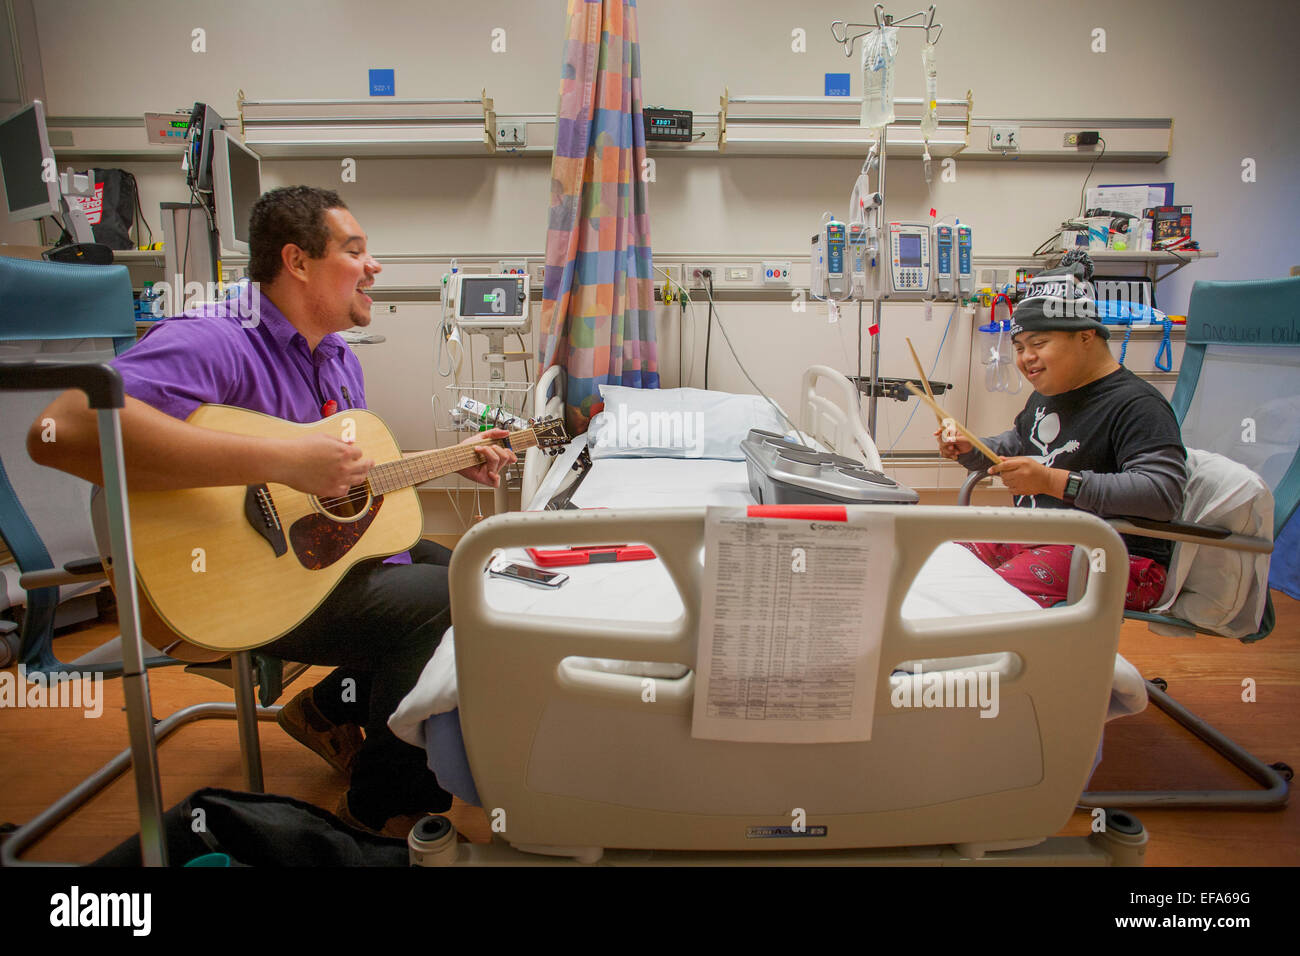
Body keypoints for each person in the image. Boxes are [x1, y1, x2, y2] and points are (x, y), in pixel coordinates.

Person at [28, 185, 515, 833]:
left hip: (309, 565)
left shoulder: (338, 359)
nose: (374, 267)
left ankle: (329, 706)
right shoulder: (217, 338)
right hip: (222, 583)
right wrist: (282, 463)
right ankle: (377, 817)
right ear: (298, 261)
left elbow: (340, 492)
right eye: (356, 250)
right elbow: (60, 430)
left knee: (468, 577)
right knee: (438, 602)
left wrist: (455, 459)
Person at [938, 254, 1186, 610]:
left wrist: (1053, 482)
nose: (1025, 359)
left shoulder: (1138, 405)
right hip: (1040, 536)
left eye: (1038, 345)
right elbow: (1018, 445)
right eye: (1020, 348)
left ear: (1086, 336)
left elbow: (1163, 494)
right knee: (941, 567)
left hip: (1116, 556)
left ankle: (1016, 663)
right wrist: (970, 446)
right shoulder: (1048, 396)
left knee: (987, 597)